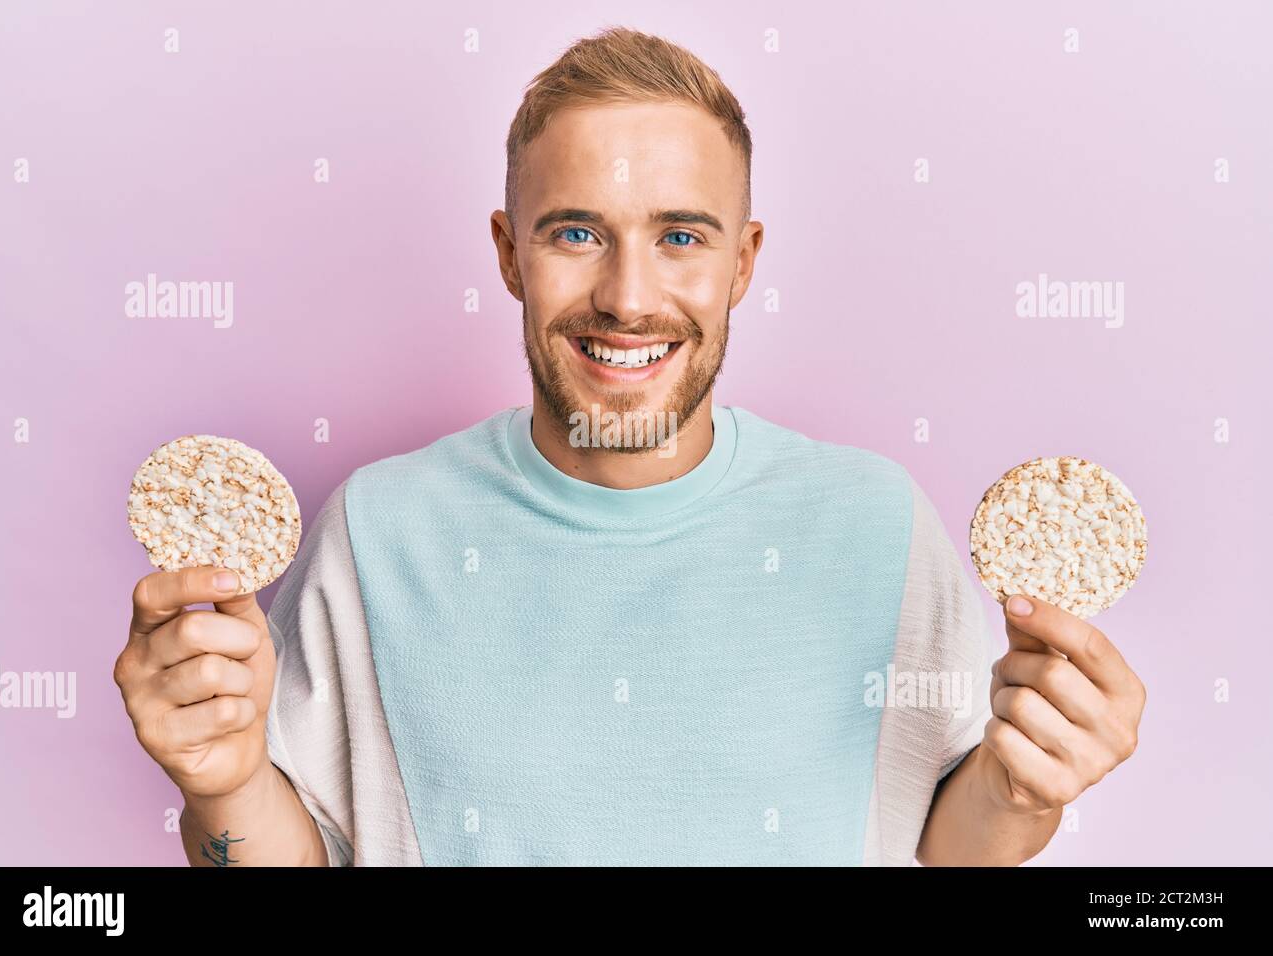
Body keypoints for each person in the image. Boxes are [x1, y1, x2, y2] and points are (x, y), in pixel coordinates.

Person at [114, 26, 1145, 866]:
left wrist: (1018, 786)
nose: (627, 296)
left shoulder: (873, 522)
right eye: (575, 233)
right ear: (508, 253)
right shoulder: (379, 529)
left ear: (742, 263)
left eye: (680, 236)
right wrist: (224, 779)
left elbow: (940, 849)